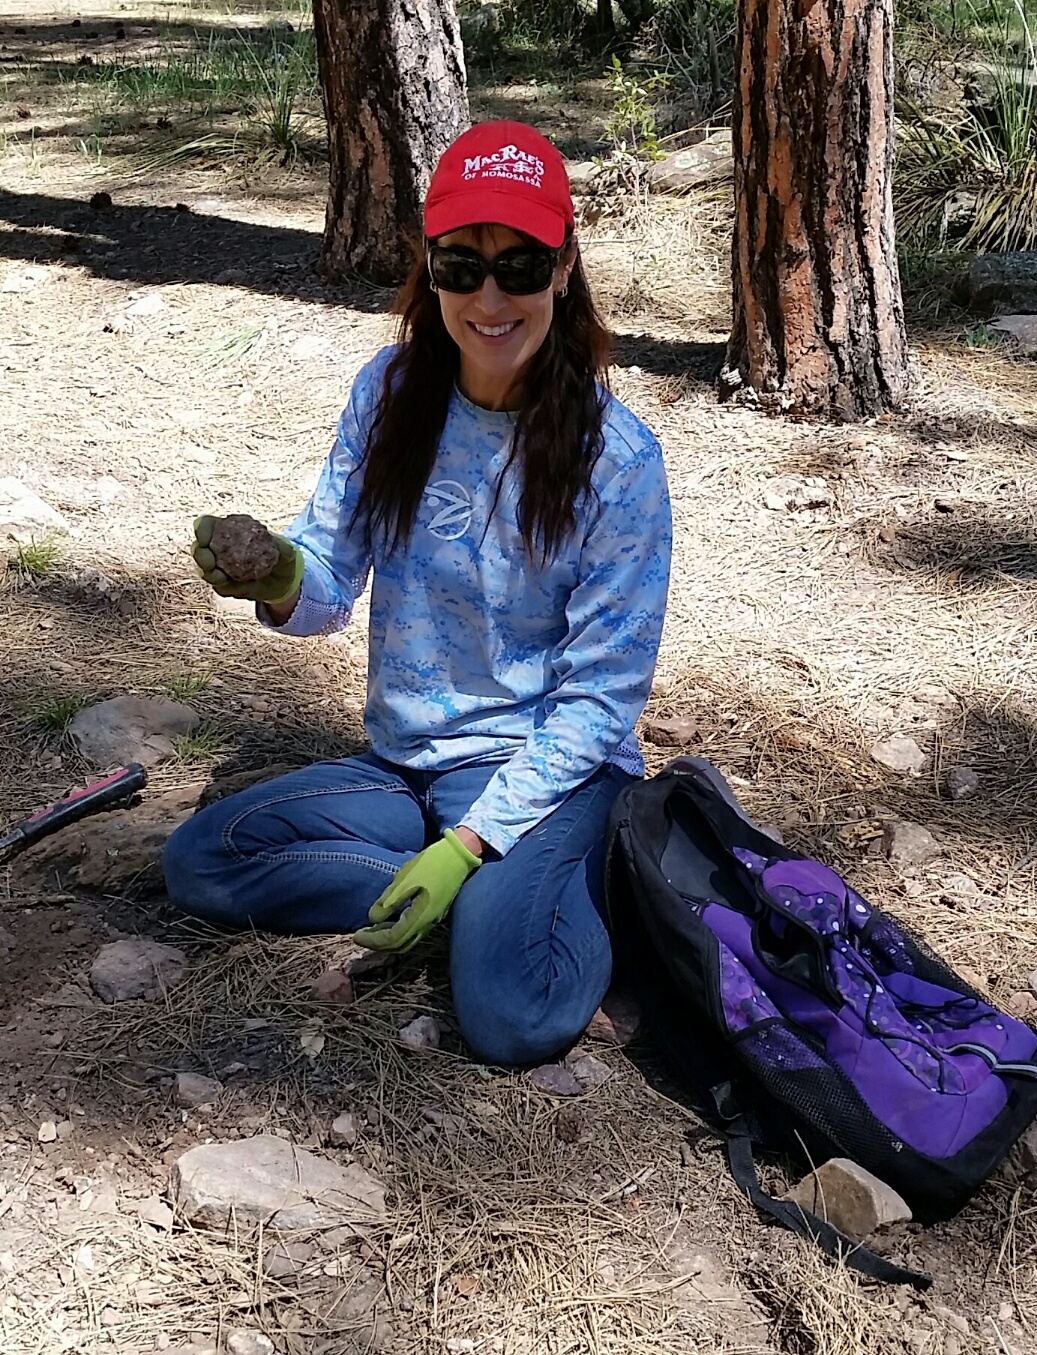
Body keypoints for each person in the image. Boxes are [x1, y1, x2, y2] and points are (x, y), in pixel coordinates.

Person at [162, 120, 672, 1068]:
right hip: (405, 762)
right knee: (201, 860)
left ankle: (538, 886)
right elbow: (327, 579)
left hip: (544, 773)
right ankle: (455, 898)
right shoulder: (389, 394)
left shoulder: (618, 462)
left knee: (518, 1012)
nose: (490, 296)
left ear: (563, 272)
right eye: (460, 265)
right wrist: (275, 573)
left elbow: (600, 701)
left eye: (521, 266)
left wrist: (476, 839)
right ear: (428, 268)